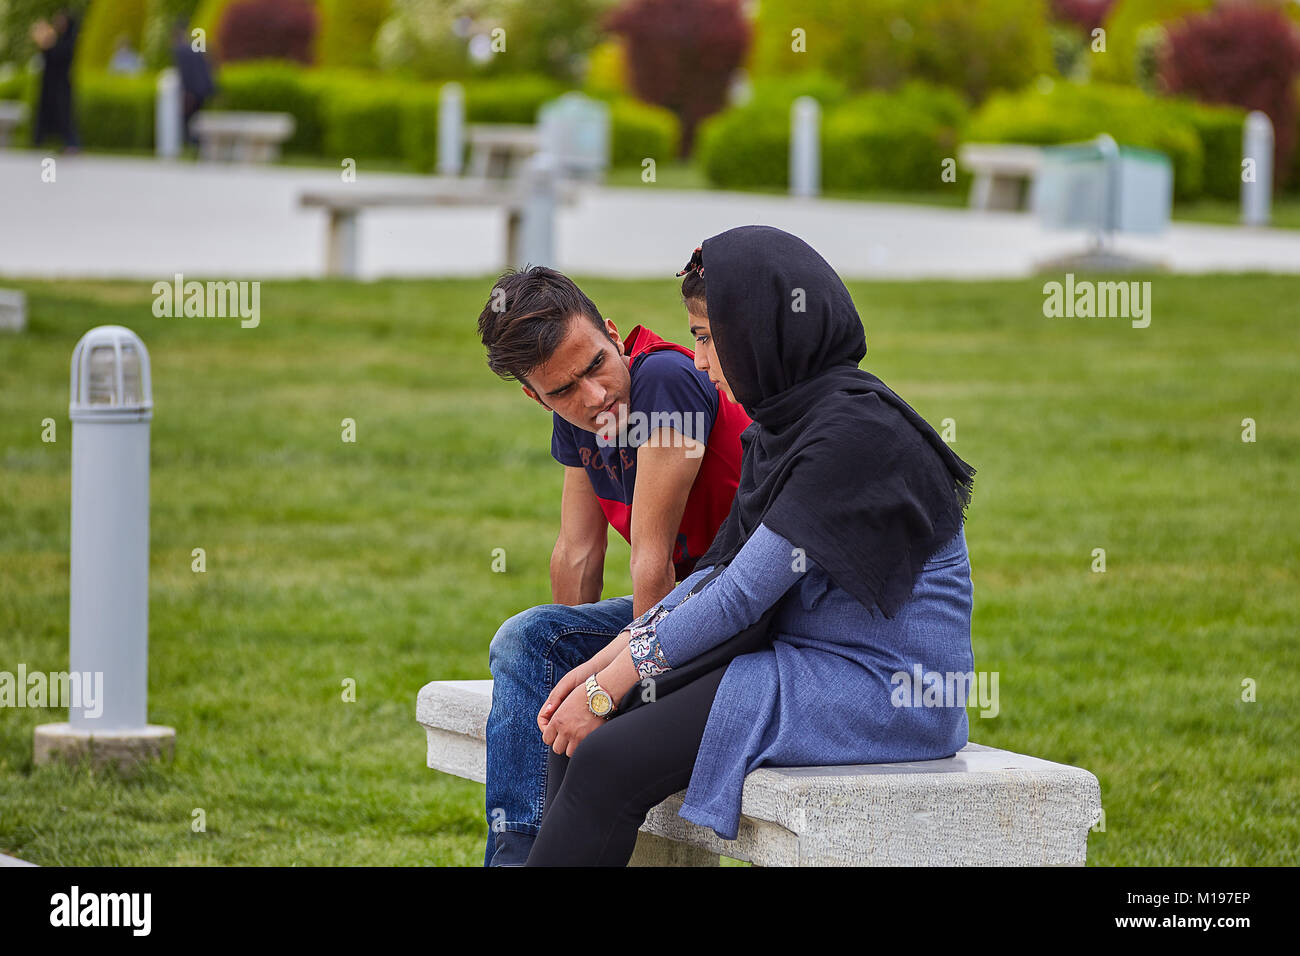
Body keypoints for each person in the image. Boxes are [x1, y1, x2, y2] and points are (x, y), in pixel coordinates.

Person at [524, 225, 979, 866]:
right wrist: (609, 662)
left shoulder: (854, 431)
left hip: (887, 691)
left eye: (709, 338)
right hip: (804, 660)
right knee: (576, 735)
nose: (702, 362)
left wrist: (611, 684)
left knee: (603, 754)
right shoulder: (786, 423)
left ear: (763, 329)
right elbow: (717, 571)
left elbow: (742, 595)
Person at [475, 265, 751, 865]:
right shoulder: (578, 418)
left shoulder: (666, 380)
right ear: (535, 396)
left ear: (612, 331)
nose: (594, 397)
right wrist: (571, 679)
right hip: (681, 609)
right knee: (530, 638)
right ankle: (520, 853)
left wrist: (632, 690)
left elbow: (652, 565)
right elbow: (577, 554)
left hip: (740, 612)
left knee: (543, 648)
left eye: (596, 364)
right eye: (563, 390)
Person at [30, 8, 79, 152]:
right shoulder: (57, 38)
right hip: (49, 86)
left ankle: (72, 144)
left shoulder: (69, 40)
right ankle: (38, 141)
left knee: (65, 115)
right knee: (44, 115)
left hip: (61, 86)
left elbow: (60, 55)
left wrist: (47, 44)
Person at [171, 21, 215, 146]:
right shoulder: (194, 48)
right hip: (202, 89)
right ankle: (195, 142)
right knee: (196, 116)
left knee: (189, 118)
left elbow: (187, 73)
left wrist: (187, 91)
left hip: (192, 90)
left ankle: (193, 142)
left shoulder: (181, 51)